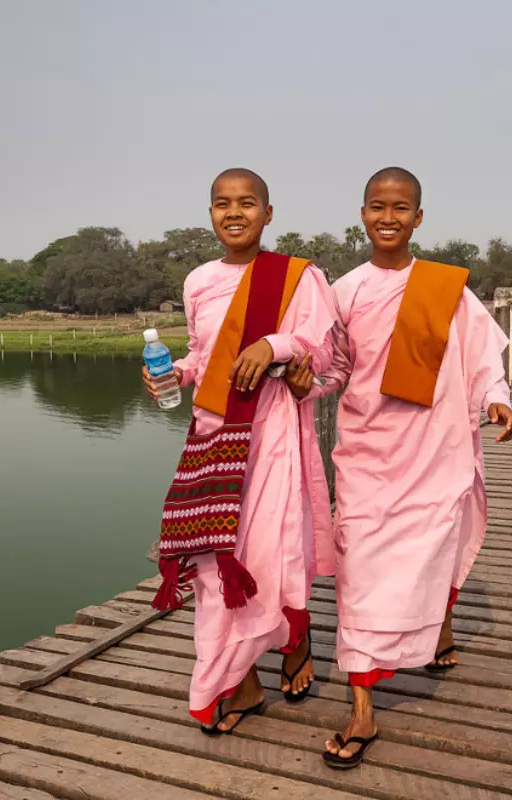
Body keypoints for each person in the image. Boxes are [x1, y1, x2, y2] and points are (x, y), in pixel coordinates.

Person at [307, 167, 512, 769]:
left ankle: (439, 627)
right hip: (369, 455)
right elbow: (333, 368)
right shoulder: (342, 291)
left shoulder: (446, 288)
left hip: (434, 446)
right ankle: (363, 710)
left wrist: (495, 396)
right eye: (378, 206)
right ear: (363, 214)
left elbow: (481, 358)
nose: (389, 217)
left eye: (401, 207)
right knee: (361, 574)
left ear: (418, 217)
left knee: (433, 546)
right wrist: (303, 377)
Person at [143, 168, 335, 734]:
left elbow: (321, 350)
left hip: (272, 430)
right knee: (210, 562)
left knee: (270, 554)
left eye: (247, 203)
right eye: (223, 203)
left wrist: (271, 343)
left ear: (267, 214)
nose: (235, 212)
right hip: (213, 434)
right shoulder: (199, 280)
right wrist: (174, 375)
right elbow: (202, 354)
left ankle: (292, 636)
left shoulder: (298, 277)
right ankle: (240, 681)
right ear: (210, 215)